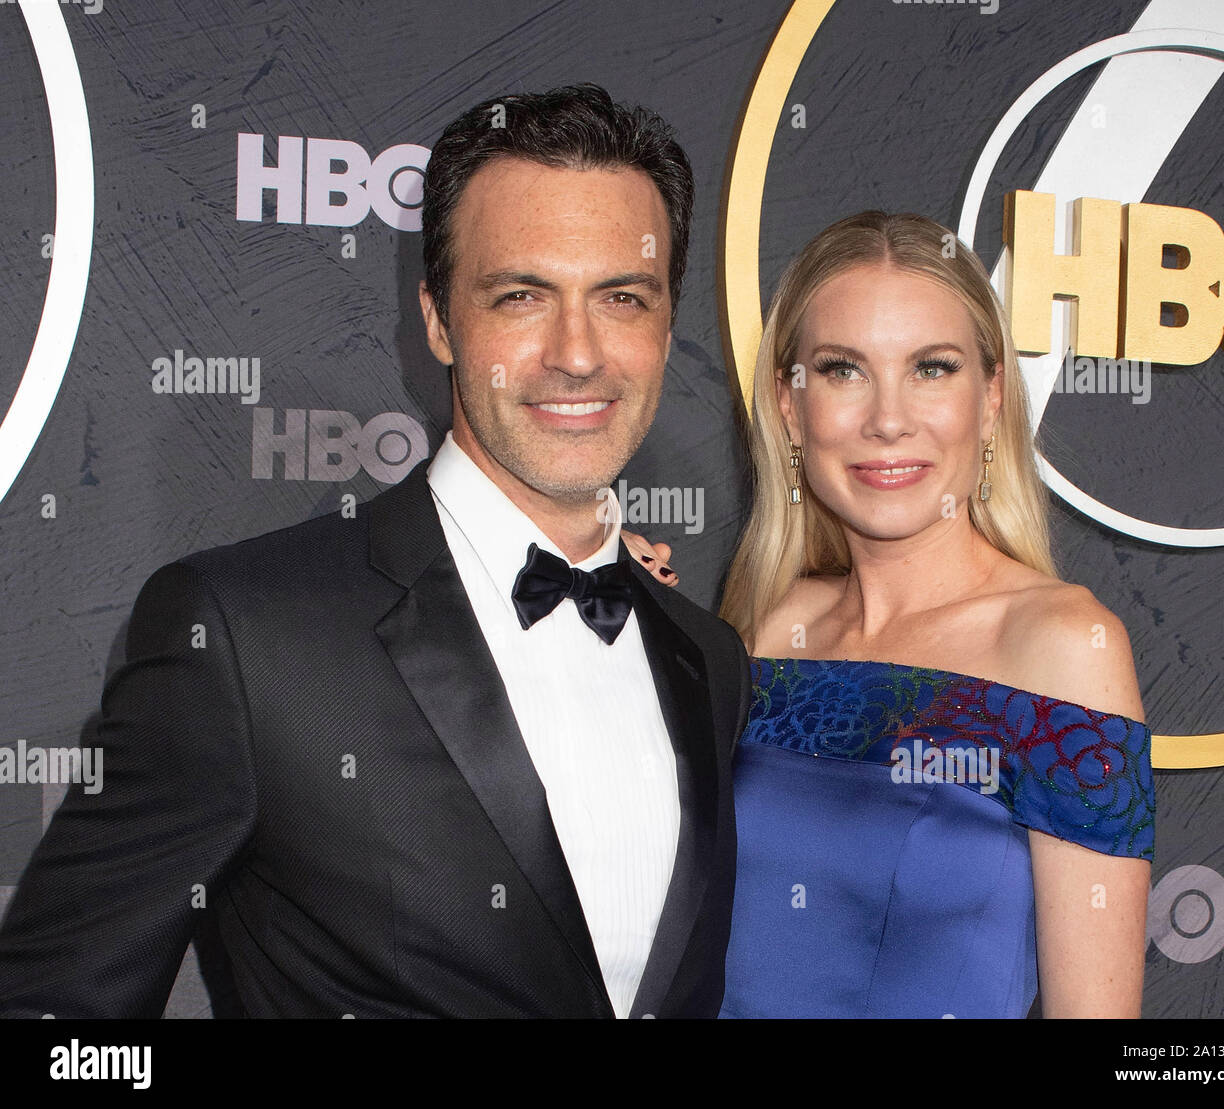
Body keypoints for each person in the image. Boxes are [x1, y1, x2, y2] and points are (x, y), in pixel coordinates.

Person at [0, 84, 751, 1019]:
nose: (578, 352)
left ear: (668, 326)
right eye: (522, 295)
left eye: (622, 298)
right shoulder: (244, 637)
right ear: (437, 319)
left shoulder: (709, 659)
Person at [637, 210, 1155, 1017]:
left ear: (990, 401)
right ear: (789, 407)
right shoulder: (767, 630)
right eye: (844, 369)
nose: (887, 418)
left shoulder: (1063, 647)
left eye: (931, 368)